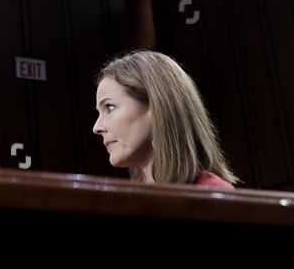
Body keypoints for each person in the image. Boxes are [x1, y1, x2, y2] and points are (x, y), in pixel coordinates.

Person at [92, 49, 239, 189]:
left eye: (109, 107)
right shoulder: (127, 203)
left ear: (156, 108)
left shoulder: (211, 194)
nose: (96, 127)